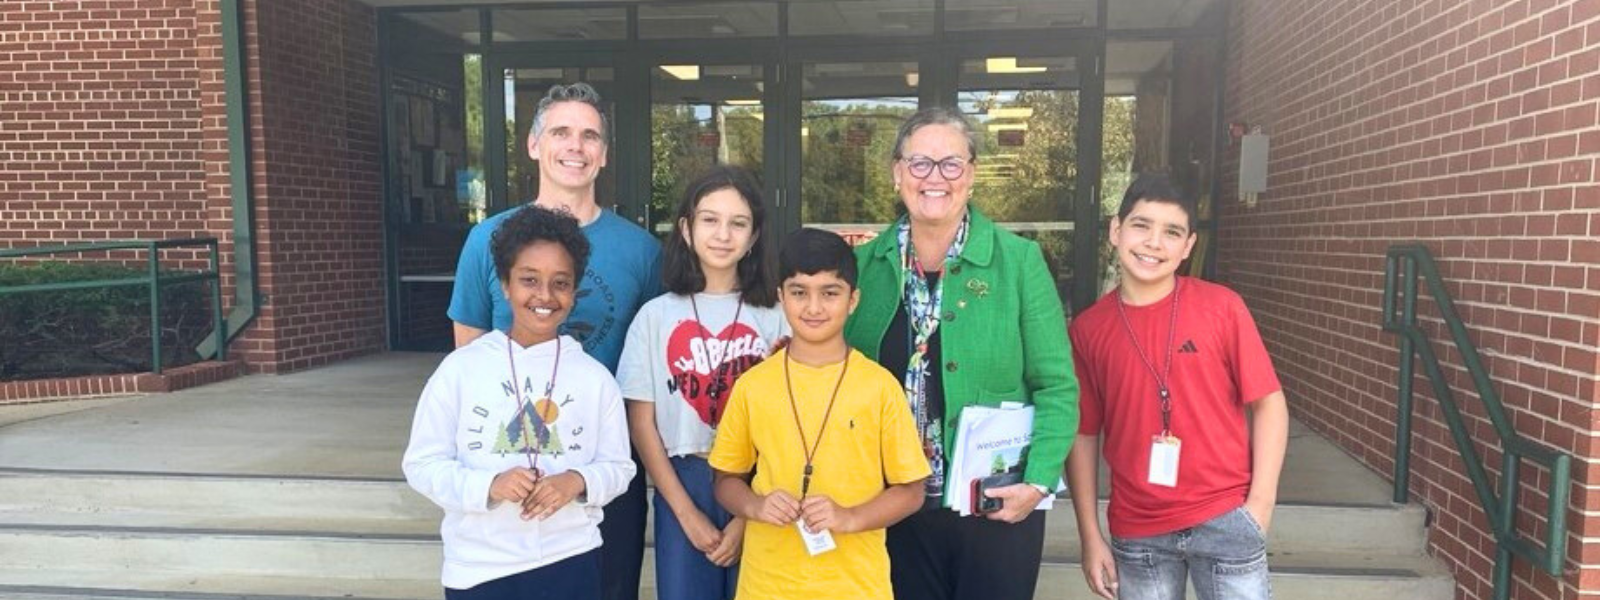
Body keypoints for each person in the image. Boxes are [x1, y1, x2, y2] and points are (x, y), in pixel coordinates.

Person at [842, 106, 1078, 600]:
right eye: (920, 163)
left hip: (995, 505)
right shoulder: (861, 268)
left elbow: (1056, 384)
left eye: (951, 164)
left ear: (971, 175)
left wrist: (1037, 482)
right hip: (889, 505)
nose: (935, 177)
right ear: (897, 173)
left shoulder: (1018, 262)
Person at [447, 82, 659, 600]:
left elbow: (654, 362)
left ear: (603, 154)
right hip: (506, 466)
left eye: (589, 136)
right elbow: (467, 355)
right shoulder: (488, 241)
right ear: (534, 145)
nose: (575, 146)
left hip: (602, 469)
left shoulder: (641, 250)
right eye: (561, 132)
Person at [1066, 174, 1289, 600]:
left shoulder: (1221, 307)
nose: (1153, 242)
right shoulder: (1089, 329)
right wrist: (1090, 535)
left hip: (1225, 515)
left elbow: (1269, 404)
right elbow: (1083, 433)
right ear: (1116, 230)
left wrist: (1259, 506)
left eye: (1171, 232)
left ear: (1187, 247)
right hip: (1139, 528)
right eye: (1141, 225)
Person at [404, 205, 635, 600]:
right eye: (530, 279)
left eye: (560, 283)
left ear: (574, 291)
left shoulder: (596, 379)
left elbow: (619, 467)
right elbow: (422, 464)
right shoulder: (460, 370)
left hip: (572, 560)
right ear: (505, 285)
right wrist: (490, 485)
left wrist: (577, 481)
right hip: (479, 568)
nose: (544, 295)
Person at [709, 228, 930, 600]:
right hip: (767, 586)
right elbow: (725, 480)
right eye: (799, 292)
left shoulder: (879, 387)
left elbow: (910, 491)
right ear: (781, 297)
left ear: (853, 300)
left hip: (857, 587)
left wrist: (850, 517)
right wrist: (755, 505)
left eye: (830, 293)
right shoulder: (753, 385)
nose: (813, 308)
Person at [616, 166, 789, 600]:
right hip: (683, 478)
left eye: (738, 223)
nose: (723, 234)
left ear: (754, 237)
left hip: (762, 480)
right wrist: (684, 512)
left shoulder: (778, 314)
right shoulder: (655, 317)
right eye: (709, 219)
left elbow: (790, 419)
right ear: (686, 229)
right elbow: (642, 423)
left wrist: (748, 514)